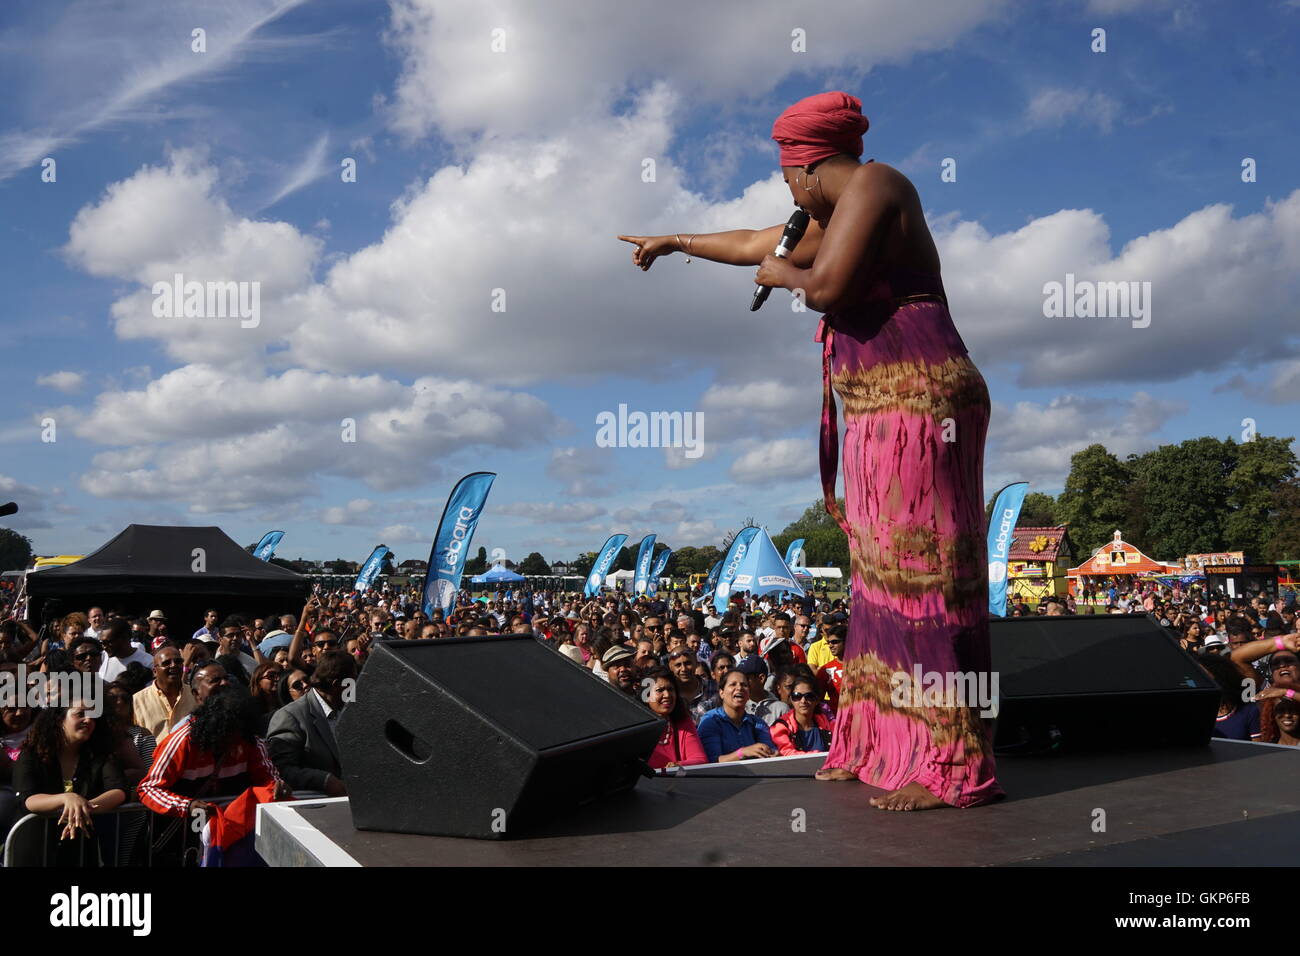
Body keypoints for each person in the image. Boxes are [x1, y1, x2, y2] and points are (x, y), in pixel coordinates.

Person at [622, 91, 1001, 810]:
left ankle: (948, 762)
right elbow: (746, 242)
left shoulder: (877, 185)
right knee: (879, 584)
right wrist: (673, 243)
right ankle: (884, 742)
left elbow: (823, 288)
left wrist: (783, 275)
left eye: (786, 173)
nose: (786, 190)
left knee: (923, 578)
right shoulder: (831, 215)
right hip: (876, 405)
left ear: (805, 165)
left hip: (921, 399)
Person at [12, 697, 127, 866]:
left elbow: (119, 791)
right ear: (59, 720)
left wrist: (81, 809)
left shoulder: (100, 754)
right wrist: (66, 798)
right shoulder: (31, 754)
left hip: (79, 847)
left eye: (93, 716)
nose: (88, 720)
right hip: (35, 846)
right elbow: (28, 799)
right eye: (80, 714)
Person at [267, 650, 354, 797]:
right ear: (337, 685)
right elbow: (282, 769)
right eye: (353, 682)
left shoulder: (351, 709)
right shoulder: (290, 716)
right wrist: (324, 780)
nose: (357, 687)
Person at [697, 670, 777, 763]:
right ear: (721, 693)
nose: (739, 688)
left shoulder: (757, 723)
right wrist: (741, 753)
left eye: (744, 685)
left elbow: (770, 753)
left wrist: (773, 754)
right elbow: (711, 762)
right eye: (733, 684)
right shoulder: (710, 721)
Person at [641, 667, 707, 770]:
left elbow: (700, 760)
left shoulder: (683, 723)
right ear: (646, 696)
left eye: (671, 689)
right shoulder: (637, 727)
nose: (667, 695)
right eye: (660, 690)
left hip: (677, 784)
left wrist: (678, 766)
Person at [771, 678, 835, 755]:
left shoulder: (827, 723)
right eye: (797, 696)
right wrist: (819, 755)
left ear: (817, 700)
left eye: (809, 696)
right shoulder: (781, 726)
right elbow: (786, 753)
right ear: (791, 699)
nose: (803, 701)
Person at [97, 619, 154, 683]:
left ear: (124, 638)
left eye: (108, 642)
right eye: (102, 643)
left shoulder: (149, 662)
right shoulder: (101, 657)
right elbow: (90, 691)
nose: (104, 647)